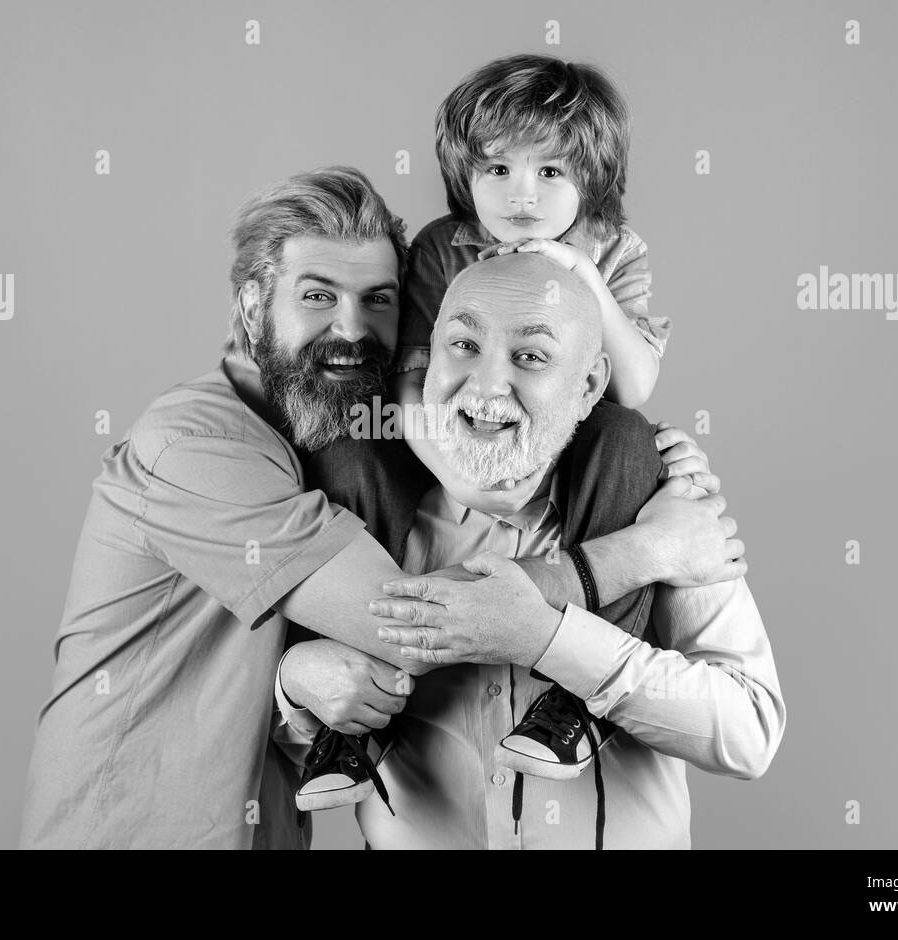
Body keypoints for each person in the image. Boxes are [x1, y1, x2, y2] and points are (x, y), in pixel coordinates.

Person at [18, 167, 739, 848]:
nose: (352, 329)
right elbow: (410, 626)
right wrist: (649, 551)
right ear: (249, 305)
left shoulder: (338, 443)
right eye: (317, 296)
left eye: (379, 300)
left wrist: (294, 682)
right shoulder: (200, 448)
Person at [277, 253, 785, 848]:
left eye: (531, 357)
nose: (488, 385)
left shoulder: (655, 503)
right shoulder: (352, 507)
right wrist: (295, 685)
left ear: (590, 383)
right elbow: (251, 724)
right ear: (425, 361)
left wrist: (548, 640)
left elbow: (749, 732)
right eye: (463, 345)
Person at [295, 53, 691, 802]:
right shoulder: (445, 247)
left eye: (550, 173)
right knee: (356, 436)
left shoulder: (613, 252)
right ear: (463, 174)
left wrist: (588, 284)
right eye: (498, 169)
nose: (520, 195)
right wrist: (458, 476)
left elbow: (632, 385)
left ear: (592, 179)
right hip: (445, 435)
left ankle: (575, 703)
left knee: (629, 438)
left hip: (566, 443)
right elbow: (415, 378)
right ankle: (355, 707)